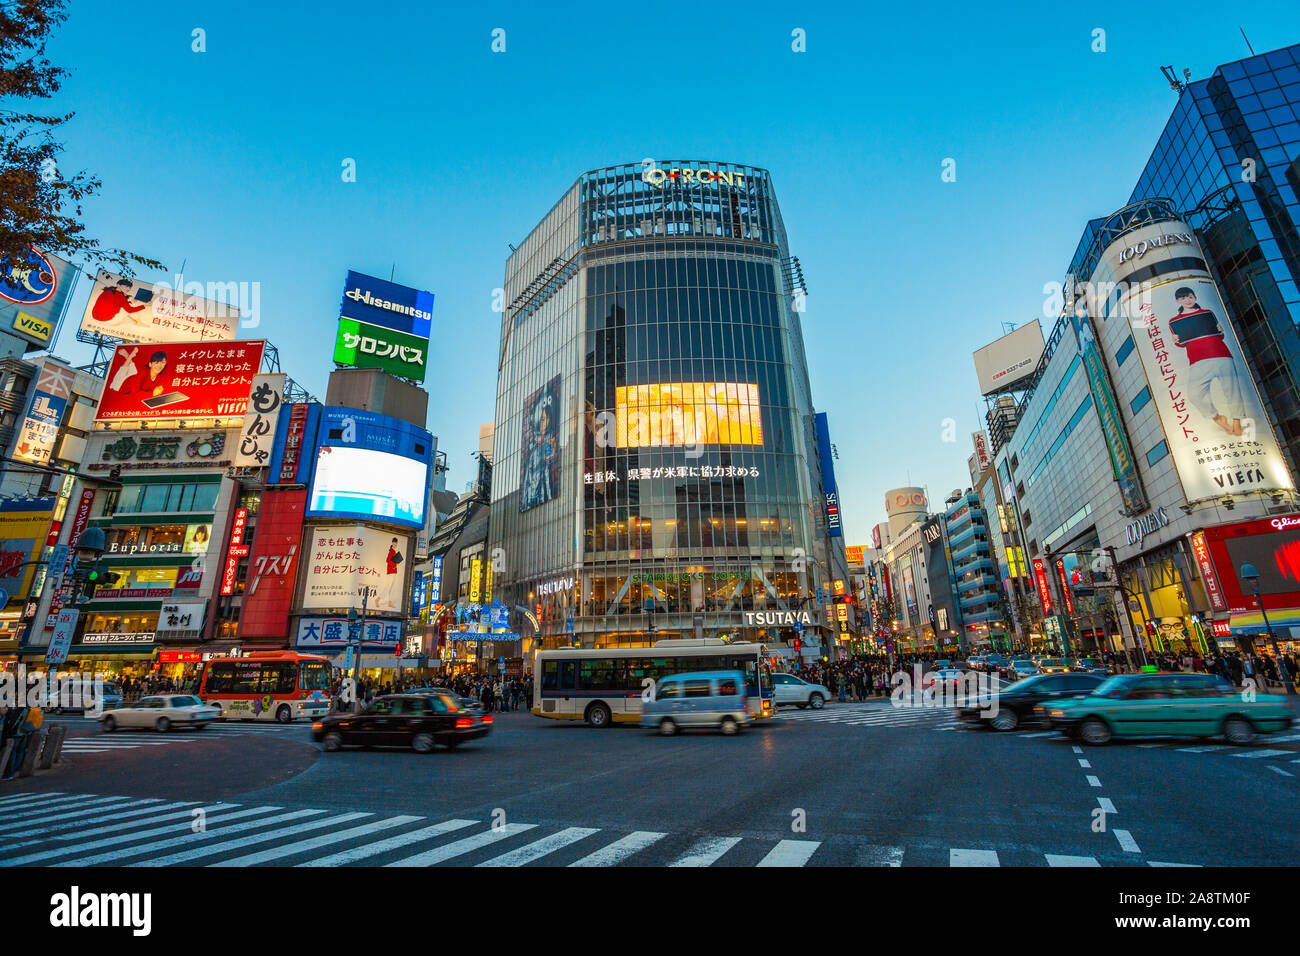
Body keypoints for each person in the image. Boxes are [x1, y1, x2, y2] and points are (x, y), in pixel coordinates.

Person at [1168, 286, 1251, 436]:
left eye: (1190, 297)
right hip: (1197, 359)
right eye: (1183, 298)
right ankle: (1216, 416)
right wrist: (1176, 341)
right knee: (1194, 394)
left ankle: (1238, 420)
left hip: (1221, 354)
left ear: (1195, 298)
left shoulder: (1207, 313)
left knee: (1231, 389)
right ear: (1178, 301)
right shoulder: (1174, 321)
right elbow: (1181, 343)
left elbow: (1218, 336)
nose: (1187, 300)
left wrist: (1220, 331)